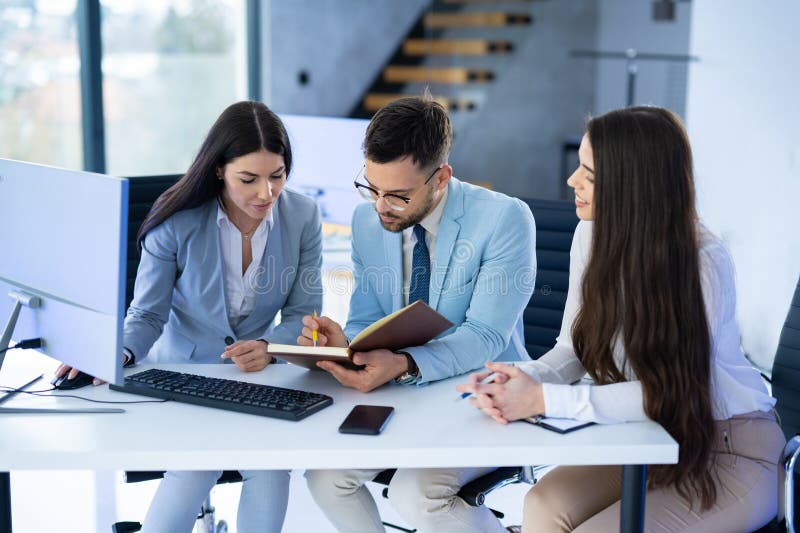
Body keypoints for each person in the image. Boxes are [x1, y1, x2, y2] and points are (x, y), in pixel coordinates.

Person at [458, 106, 784, 533]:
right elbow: (572, 349)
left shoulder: (703, 260)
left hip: (727, 449)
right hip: (648, 439)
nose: (572, 180)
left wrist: (543, 401)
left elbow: (668, 394)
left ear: (634, 185)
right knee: (541, 505)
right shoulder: (590, 233)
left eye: (589, 173)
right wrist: (523, 381)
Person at [57, 101, 322, 533]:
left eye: (277, 175)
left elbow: (304, 312)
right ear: (219, 170)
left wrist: (271, 347)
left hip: (257, 377)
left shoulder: (303, 216)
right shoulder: (177, 220)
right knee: (196, 467)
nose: (266, 194)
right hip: (184, 374)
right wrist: (116, 354)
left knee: (272, 468)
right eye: (249, 179)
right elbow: (145, 314)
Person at [301, 95, 536, 533]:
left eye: (398, 195)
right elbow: (366, 316)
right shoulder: (367, 220)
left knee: (414, 493)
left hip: (481, 396)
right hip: (404, 399)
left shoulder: (504, 219)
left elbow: (486, 334)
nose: (381, 206)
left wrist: (406, 363)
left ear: (441, 177)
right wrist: (347, 347)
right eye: (371, 187)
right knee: (324, 477)